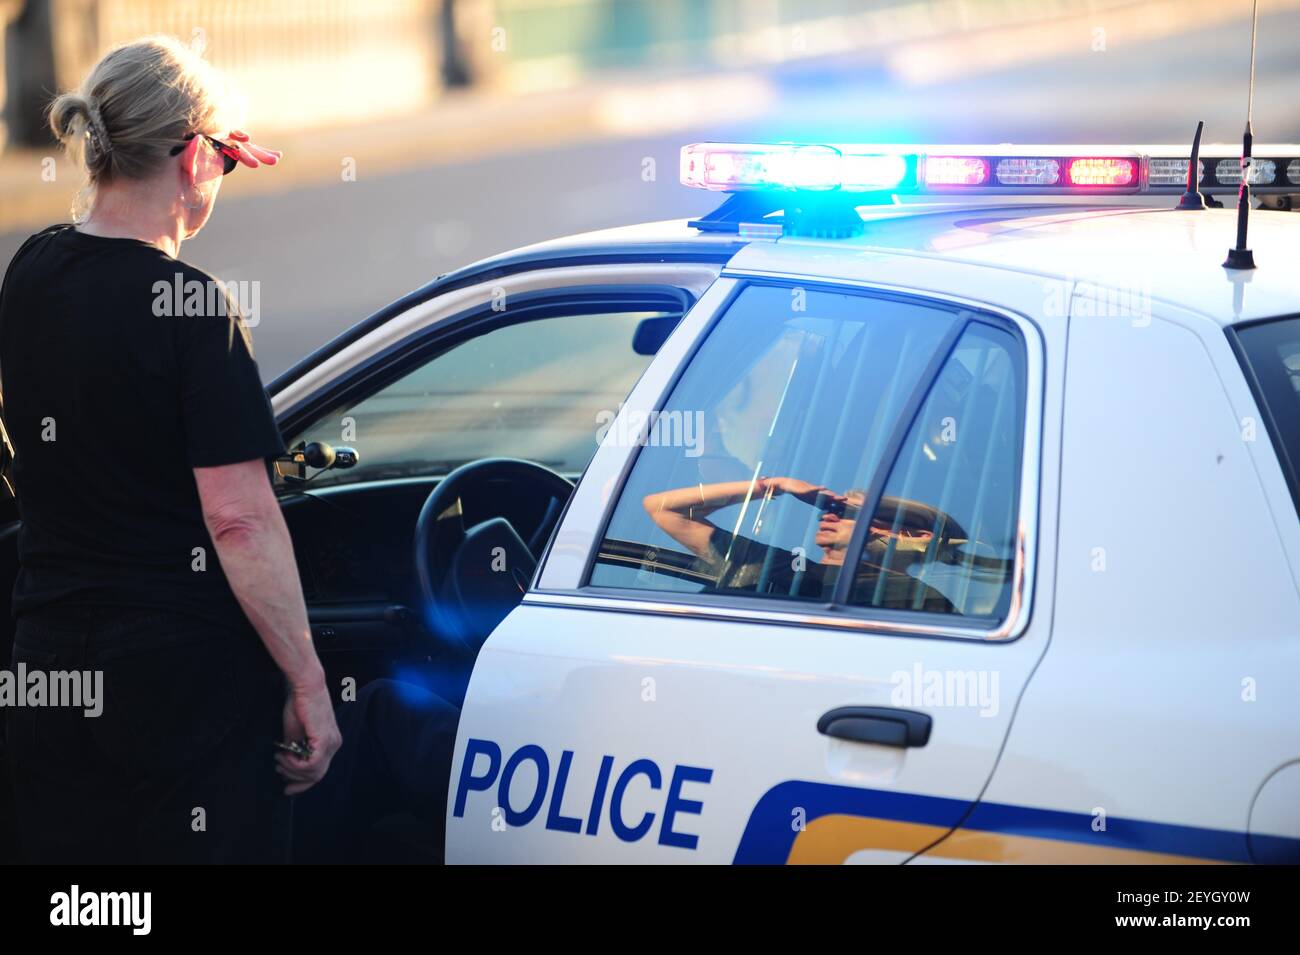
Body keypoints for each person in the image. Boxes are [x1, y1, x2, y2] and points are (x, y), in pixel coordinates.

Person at [0, 36, 340, 863]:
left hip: (44, 661)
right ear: (193, 159)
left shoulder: (30, 269)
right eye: (226, 159)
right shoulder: (192, 307)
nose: (222, 178)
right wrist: (308, 684)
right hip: (175, 686)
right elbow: (238, 521)